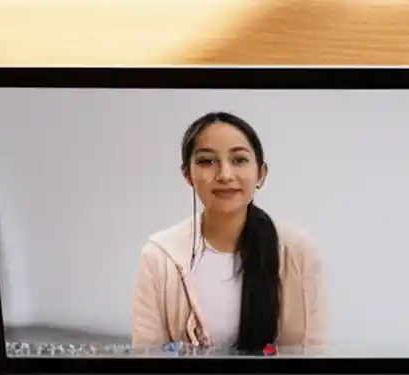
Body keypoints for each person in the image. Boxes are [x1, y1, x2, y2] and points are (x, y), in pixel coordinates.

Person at [130, 111, 326, 355]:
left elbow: (313, 356)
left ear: (261, 174)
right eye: (207, 161)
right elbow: (146, 358)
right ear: (188, 175)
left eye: (239, 160)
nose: (224, 175)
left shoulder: (298, 251)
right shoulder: (159, 256)